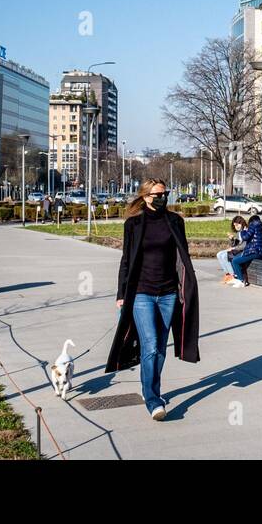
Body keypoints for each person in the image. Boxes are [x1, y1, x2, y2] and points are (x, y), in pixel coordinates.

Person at [105, 179, 200, 420]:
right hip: (141, 293)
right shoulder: (134, 224)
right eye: (158, 194)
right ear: (146, 197)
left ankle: (149, 386)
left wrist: (186, 288)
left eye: (165, 193)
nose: (163, 197)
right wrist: (121, 294)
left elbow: (183, 256)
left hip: (168, 293)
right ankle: (153, 399)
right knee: (150, 345)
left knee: (159, 349)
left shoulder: (175, 221)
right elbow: (126, 260)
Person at [229, 215, 262, 288]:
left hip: (254, 251)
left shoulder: (253, 225)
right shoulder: (259, 227)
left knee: (235, 261)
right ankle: (237, 278)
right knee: (235, 258)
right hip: (259, 251)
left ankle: (241, 281)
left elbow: (245, 237)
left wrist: (243, 231)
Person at [217, 215, 247, 284]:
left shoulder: (245, 231)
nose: (237, 227)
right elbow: (235, 244)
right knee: (219, 254)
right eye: (235, 226)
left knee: (224, 255)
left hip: (242, 250)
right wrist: (232, 239)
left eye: (238, 224)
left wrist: (233, 248)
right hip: (237, 249)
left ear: (242, 223)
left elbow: (244, 245)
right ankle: (227, 274)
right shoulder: (239, 232)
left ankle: (233, 275)